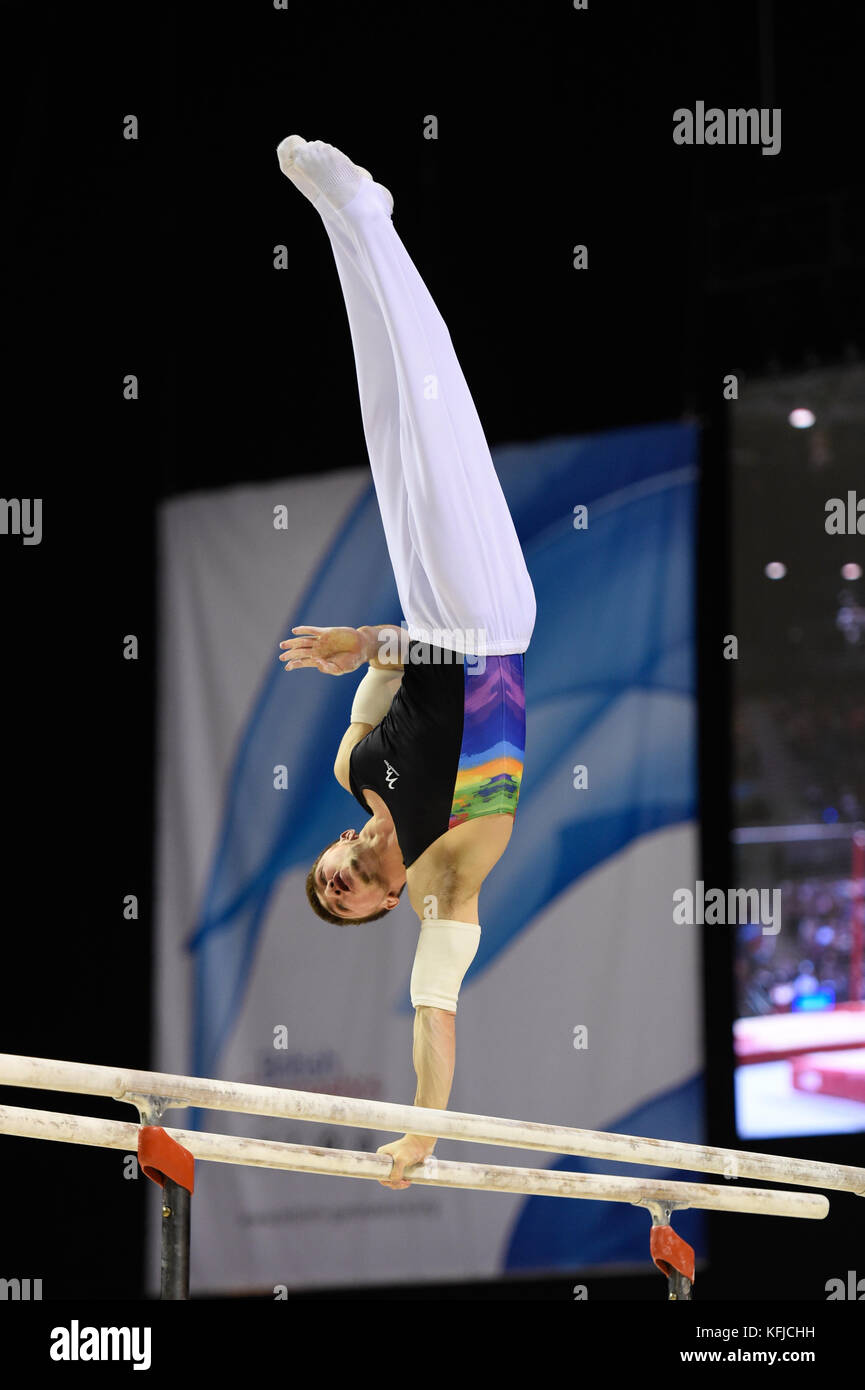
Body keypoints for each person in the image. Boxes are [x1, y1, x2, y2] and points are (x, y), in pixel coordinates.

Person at [276, 137, 536, 1188]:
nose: (343, 876)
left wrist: (360, 645)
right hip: (495, 622)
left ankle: (351, 222)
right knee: (433, 410)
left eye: (328, 875)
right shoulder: (449, 882)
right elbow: (437, 1017)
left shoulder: (351, 766)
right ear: (378, 907)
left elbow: (399, 646)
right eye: (345, 893)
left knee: (390, 418)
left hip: (440, 610)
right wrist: (424, 1130)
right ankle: (365, 214)